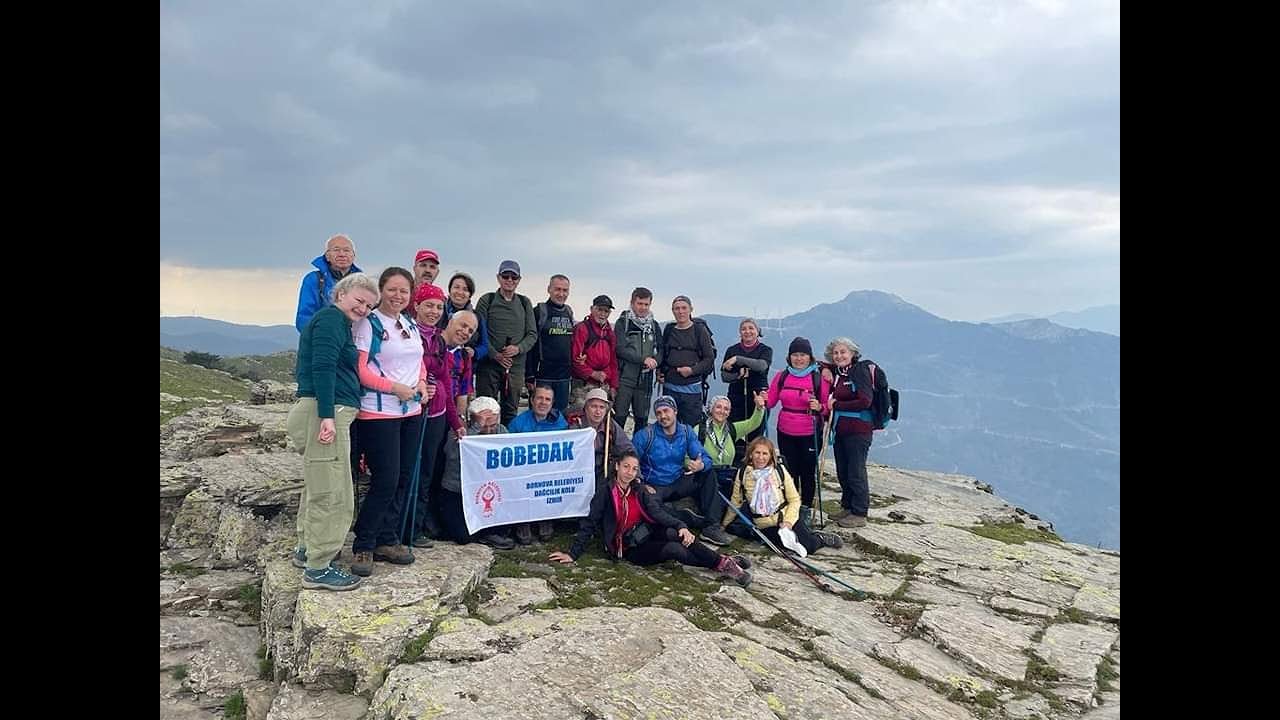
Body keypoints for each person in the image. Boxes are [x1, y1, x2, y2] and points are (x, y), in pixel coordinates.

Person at [286, 272, 379, 591]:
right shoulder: (331, 320)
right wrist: (326, 416)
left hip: (323, 410)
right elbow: (323, 368)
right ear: (341, 294)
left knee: (317, 484)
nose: (364, 308)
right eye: (359, 300)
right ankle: (319, 567)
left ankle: (306, 549)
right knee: (332, 490)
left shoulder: (335, 321)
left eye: (369, 305)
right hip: (325, 411)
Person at [549, 451, 753, 587]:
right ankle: (726, 563)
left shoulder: (639, 490)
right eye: (626, 467)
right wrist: (573, 554)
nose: (629, 472)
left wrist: (681, 525)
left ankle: (724, 564)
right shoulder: (605, 491)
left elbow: (658, 513)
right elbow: (590, 522)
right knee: (674, 550)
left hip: (647, 531)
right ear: (617, 467)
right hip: (630, 547)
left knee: (676, 534)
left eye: (634, 469)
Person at [347, 268, 430, 577]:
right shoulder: (368, 324)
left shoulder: (408, 323)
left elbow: (418, 360)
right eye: (393, 290)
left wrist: (422, 384)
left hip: (410, 411)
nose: (398, 296)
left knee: (404, 477)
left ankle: (388, 537)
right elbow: (362, 370)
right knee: (386, 479)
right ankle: (364, 543)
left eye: (404, 292)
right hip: (379, 412)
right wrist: (394, 388)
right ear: (381, 290)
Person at [406, 283, 468, 548]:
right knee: (407, 472)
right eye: (429, 305)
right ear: (416, 306)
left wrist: (456, 424)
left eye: (439, 307)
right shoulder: (408, 335)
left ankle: (414, 530)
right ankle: (397, 530)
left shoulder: (439, 343)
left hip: (437, 415)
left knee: (427, 473)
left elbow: (446, 385)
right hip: (410, 413)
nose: (434, 311)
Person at [632, 396, 732, 546]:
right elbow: (630, 461)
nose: (662, 416)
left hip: (678, 481)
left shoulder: (686, 432)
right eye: (658, 413)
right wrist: (641, 484)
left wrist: (700, 465)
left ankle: (711, 527)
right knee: (647, 504)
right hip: (654, 486)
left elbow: (705, 458)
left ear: (676, 411)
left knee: (708, 474)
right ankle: (689, 518)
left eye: (666, 411)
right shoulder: (645, 435)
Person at [718, 437, 843, 555]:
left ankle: (819, 538)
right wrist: (724, 525)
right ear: (751, 454)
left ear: (771, 455)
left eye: (765, 453)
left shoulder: (779, 471)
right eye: (757, 453)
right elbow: (736, 502)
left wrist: (788, 522)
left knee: (808, 546)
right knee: (787, 547)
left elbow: (794, 500)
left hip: (786, 516)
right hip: (764, 524)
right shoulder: (743, 473)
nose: (760, 457)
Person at [765, 337, 831, 524]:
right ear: (789, 357)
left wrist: (820, 407)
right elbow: (770, 401)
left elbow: (827, 407)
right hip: (785, 430)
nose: (799, 358)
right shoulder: (782, 376)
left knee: (807, 471)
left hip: (809, 431)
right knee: (789, 471)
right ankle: (789, 506)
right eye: (795, 355)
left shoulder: (818, 378)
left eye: (803, 355)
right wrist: (761, 401)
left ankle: (805, 509)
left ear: (810, 357)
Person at [438, 396, 517, 550]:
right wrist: (475, 429)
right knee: (464, 537)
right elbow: (453, 454)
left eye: (492, 425)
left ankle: (490, 532)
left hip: (489, 490)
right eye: (483, 426)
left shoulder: (501, 431)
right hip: (458, 492)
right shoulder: (459, 431)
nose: (487, 431)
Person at [474, 260, 538, 426]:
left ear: (519, 279)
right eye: (505, 276)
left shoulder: (524, 303)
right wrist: (496, 355)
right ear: (498, 277)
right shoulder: (486, 300)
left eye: (514, 277)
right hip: (489, 367)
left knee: (511, 411)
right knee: (486, 411)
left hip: (515, 369)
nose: (509, 280)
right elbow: (479, 333)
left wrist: (517, 348)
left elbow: (532, 334)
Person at [507, 383, 569, 545]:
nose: (543, 402)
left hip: (548, 474)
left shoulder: (561, 424)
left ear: (552, 403)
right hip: (522, 473)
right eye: (539, 398)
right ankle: (522, 521)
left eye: (547, 399)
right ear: (532, 401)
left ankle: (545, 518)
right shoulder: (518, 423)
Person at [825, 337, 875, 529]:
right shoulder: (840, 373)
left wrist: (837, 404)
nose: (839, 356)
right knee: (843, 470)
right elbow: (818, 362)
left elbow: (865, 401)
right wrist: (825, 368)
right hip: (842, 430)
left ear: (853, 353)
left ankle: (860, 512)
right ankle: (847, 507)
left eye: (843, 352)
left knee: (856, 471)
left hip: (858, 430)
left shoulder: (859, 371)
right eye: (836, 353)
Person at [697, 392, 767, 503]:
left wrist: (759, 408)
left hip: (728, 474)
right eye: (718, 407)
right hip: (708, 474)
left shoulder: (732, 429)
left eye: (726, 409)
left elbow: (753, 423)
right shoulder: (699, 430)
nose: (722, 411)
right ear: (711, 409)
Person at [438, 271, 488, 422]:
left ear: (470, 294)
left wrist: (474, 352)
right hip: (440, 365)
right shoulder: (438, 310)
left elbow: (486, 345)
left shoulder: (477, 316)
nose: (460, 292)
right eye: (456, 287)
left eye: (465, 289)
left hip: (463, 369)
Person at [658, 295, 715, 427]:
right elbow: (663, 353)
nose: (680, 311)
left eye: (684, 308)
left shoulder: (699, 330)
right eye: (677, 308)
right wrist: (660, 372)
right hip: (670, 387)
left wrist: (692, 370)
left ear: (691, 309)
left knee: (691, 428)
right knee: (668, 425)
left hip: (692, 389)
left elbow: (709, 359)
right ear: (673, 311)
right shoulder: (669, 330)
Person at [720, 318, 773, 458]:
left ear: (757, 331)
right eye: (744, 329)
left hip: (758, 398)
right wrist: (738, 375)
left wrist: (738, 359)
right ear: (740, 332)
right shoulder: (731, 350)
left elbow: (761, 365)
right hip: (736, 399)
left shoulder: (765, 350)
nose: (747, 331)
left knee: (756, 437)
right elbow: (724, 376)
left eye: (751, 328)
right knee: (732, 434)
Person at [613, 287, 662, 432]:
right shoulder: (623, 323)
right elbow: (620, 349)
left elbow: (661, 349)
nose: (643, 308)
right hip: (625, 378)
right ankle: (615, 452)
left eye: (646, 304)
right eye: (640, 303)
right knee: (619, 418)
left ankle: (638, 453)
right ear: (632, 303)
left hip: (645, 380)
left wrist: (656, 362)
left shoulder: (654, 325)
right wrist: (643, 360)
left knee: (642, 420)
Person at [294, 233, 362, 332]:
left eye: (346, 250)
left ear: (353, 256)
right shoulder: (314, 280)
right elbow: (304, 317)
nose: (342, 254)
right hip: (323, 340)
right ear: (327, 256)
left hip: (355, 342)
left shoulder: (362, 283)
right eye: (336, 250)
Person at [528, 274, 575, 412]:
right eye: (557, 289)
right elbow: (530, 343)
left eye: (565, 290)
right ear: (549, 289)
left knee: (559, 417)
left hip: (564, 376)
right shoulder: (539, 311)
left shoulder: (568, 312)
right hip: (543, 375)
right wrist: (529, 375)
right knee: (539, 414)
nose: (561, 294)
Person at [570, 387, 634, 485]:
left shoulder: (610, 425)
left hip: (602, 470)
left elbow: (628, 450)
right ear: (586, 408)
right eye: (594, 406)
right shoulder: (575, 424)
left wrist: (636, 476)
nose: (598, 411)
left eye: (602, 407)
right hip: (578, 471)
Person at [568, 294, 619, 409]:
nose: (602, 314)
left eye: (606, 311)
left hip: (603, 384)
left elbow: (613, 361)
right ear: (592, 309)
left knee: (601, 419)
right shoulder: (582, 329)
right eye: (599, 309)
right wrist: (593, 374)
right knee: (579, 416)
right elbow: (576, 359)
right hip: (582, 385)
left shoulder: (609, 333)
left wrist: (613, 385)